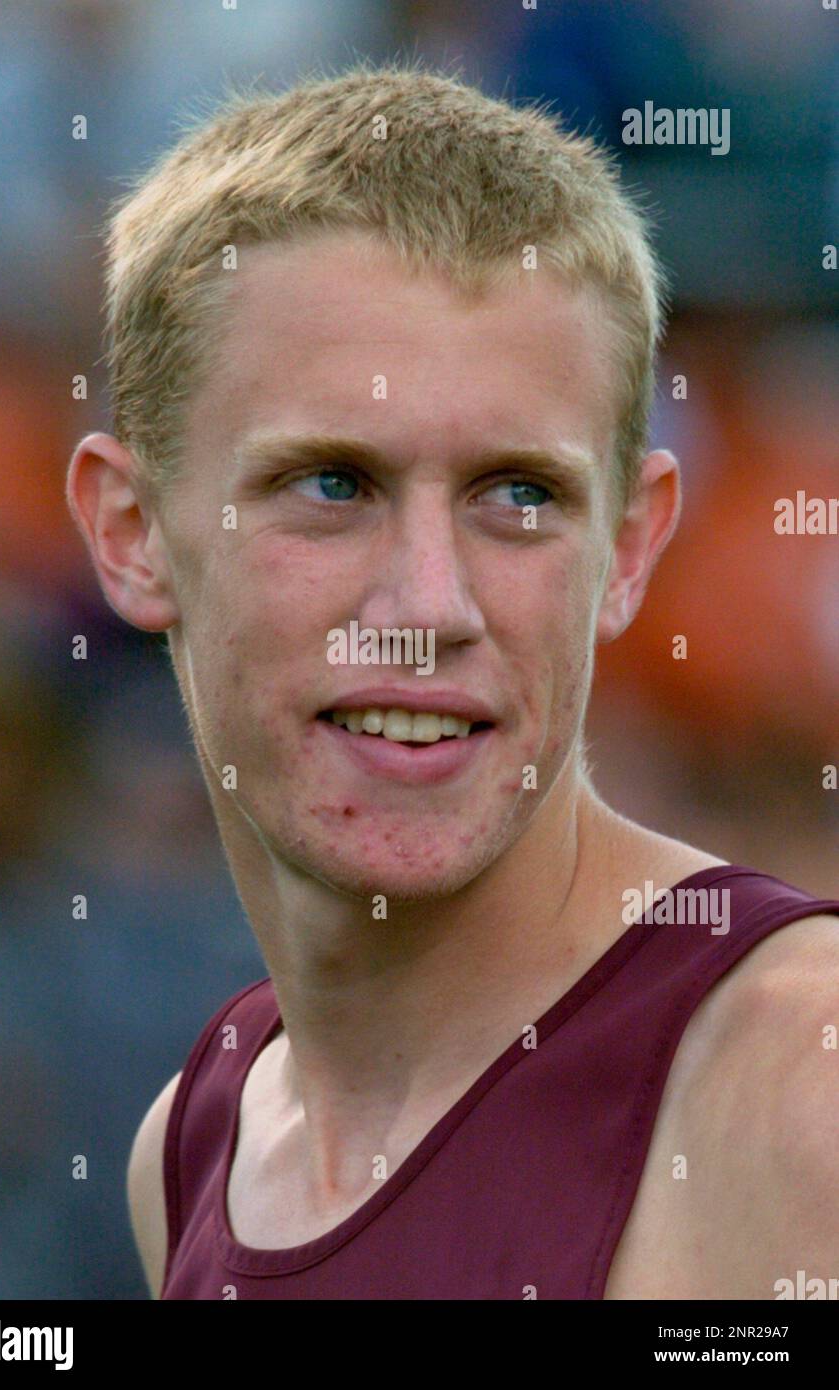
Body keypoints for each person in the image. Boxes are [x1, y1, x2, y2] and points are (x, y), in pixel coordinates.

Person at [67, 63, 839, 1300]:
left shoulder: (799, 1080)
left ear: (629, 547)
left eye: (517, 495)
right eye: (332, 484)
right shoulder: (194, 1137)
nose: (427, 608)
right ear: (129, 529)